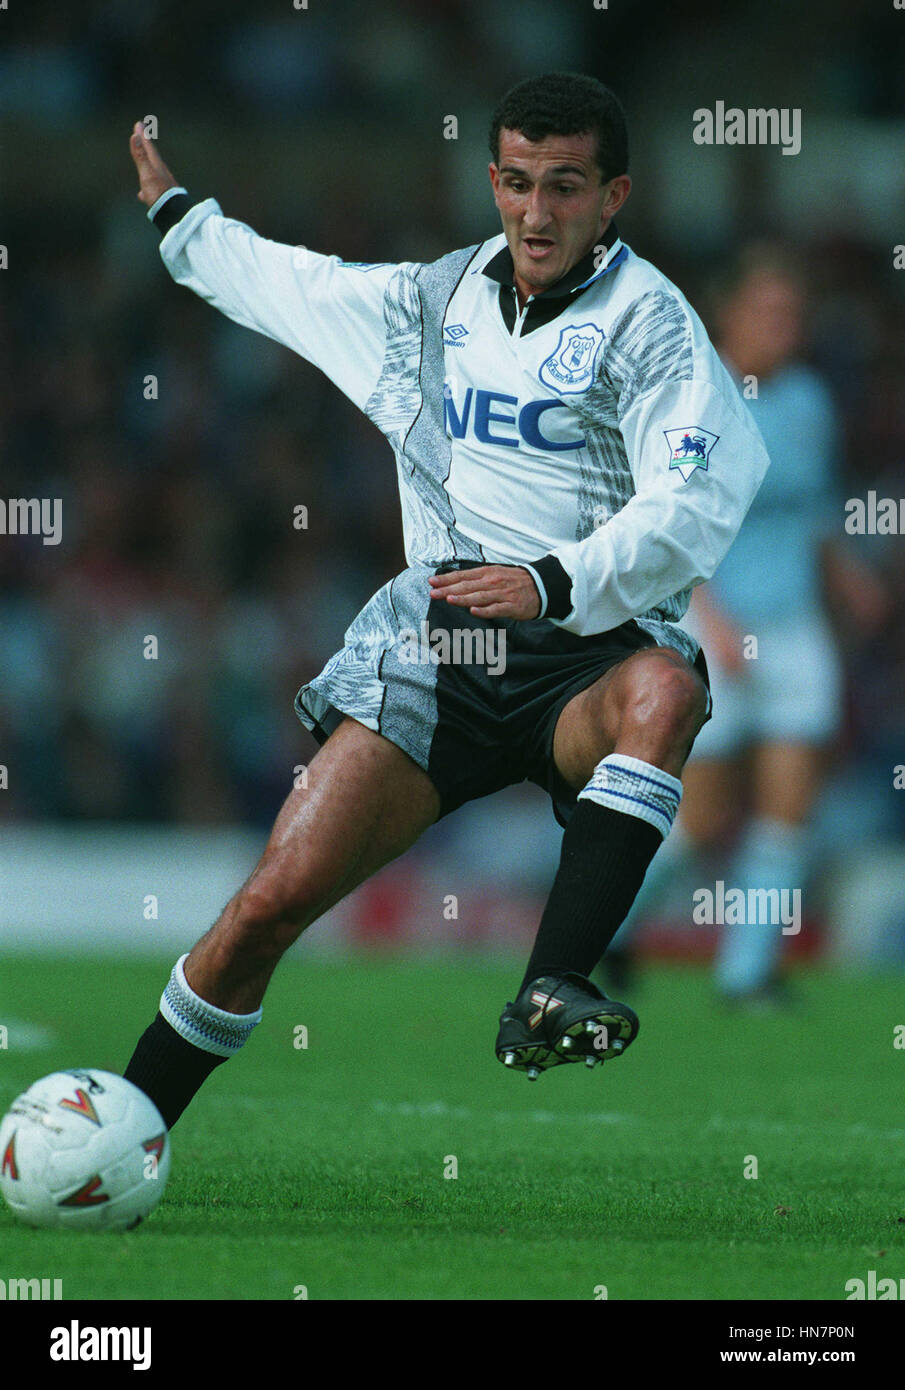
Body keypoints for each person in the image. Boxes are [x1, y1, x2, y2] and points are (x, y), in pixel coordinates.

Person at [123, 72, 769, 1127]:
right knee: (267, 906)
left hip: (588, 657)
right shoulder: (425, 305)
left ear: (613, 197)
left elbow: (698, 497)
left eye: (564, 187)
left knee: (665, 690)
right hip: (444, 652)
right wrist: (179, 219)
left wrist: (553, 580)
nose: (534, 211)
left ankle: (549, 984)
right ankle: (128, 1121)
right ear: (491, 181)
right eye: (517, 184)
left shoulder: (650, 325)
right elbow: (289, 284)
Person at [601, 244, 886, 1005]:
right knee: (701, 813)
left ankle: (747, 970)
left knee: (790, 801)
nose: (783, 325)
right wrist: (714, 622)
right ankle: (610, 925)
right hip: (711, 619)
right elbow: (676, 525)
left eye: (791, 312)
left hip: (791, 624)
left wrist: (845, 578)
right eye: (768, 310)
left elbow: (813, 512)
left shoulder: (807, 403)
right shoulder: (697, 401)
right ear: (727, 314)